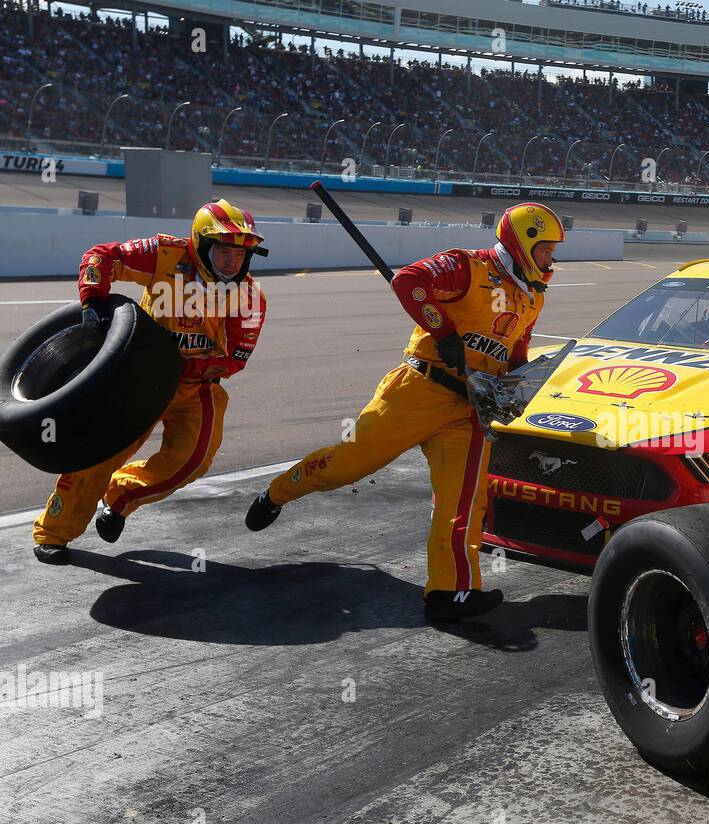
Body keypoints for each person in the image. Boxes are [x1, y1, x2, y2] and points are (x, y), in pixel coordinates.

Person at [244, 203, 565, 623]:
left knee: (464, 501)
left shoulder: (532, 296)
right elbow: (409, 282)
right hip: (418, 389)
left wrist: (517, 379)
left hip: (468, 407)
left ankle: (451, 593)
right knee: (345, 467)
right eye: (546, 249)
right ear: (524, 243)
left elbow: (516, 346)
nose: (551, 258)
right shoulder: (468, 266)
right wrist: (443, 331)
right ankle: (280, 490)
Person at [31, 200, 268, 564]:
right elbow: (100, 256)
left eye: (239, 254)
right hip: (137, 380)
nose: (232, 263)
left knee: (194, 459)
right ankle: (53, 532)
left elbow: (234, 359)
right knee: (95, 456)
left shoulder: (250, 297)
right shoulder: (164, 254)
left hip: (196, 388)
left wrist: (187, 369)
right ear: (201, 244)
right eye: (223, 251)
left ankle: (121, 497)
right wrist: (92, 300)